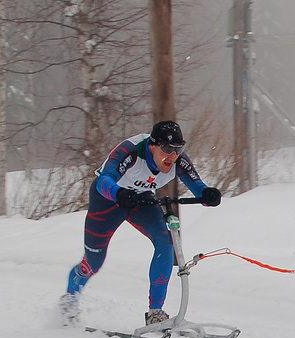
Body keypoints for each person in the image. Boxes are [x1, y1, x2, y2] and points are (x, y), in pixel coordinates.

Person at [59, 120, 223, 326]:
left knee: (166, 240)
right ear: (152, 145)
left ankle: (155, 312)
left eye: (178, 150)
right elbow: (103, 181)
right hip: (108, 199)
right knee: (93, 263)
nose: (172, 156)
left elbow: (198, 187)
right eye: (166, 149)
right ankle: (69, 299)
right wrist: (119, 193)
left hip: (140, 199)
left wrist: (208, 195)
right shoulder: (130, 152)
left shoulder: (178, 161)